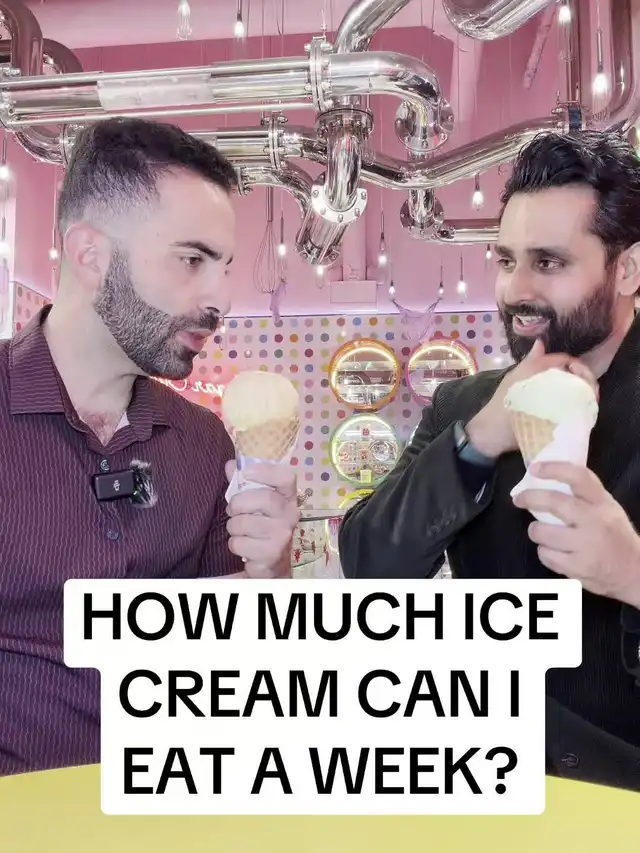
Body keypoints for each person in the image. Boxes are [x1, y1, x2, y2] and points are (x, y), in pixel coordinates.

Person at [339, 130, 640, 792]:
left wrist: (632, 573)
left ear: (627, 269)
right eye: (506, 260)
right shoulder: (463, 405)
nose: (516, 290)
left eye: (549, 262)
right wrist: (476, 438)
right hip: (485, 782)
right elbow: (368, 564)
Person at [0, 118, 299, 776]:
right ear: (90, 255)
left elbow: (243, 665)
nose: (221, 298)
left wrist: (271, 571)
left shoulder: (204, 443)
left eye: (223, 267)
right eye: (191, 260)